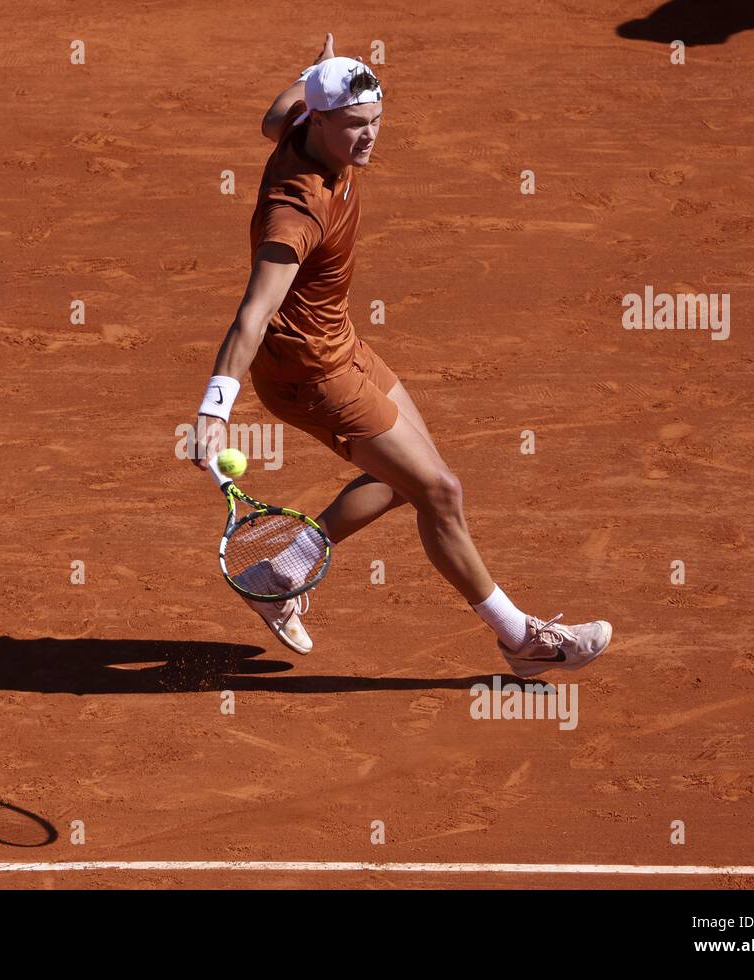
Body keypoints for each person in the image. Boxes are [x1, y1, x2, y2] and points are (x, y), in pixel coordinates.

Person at [190, 34, 611, 678]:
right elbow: (253, 313)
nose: (369, 140)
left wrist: (321, 68)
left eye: (377, 123)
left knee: (405, 476)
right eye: (356, 126)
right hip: (312, 375)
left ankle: (281, 572)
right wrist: (215, 408)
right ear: (322, 120)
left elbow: (275, 113)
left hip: (343, 345)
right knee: (440, 490)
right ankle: (521, 639)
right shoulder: (294, 212)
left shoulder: (303, 117)